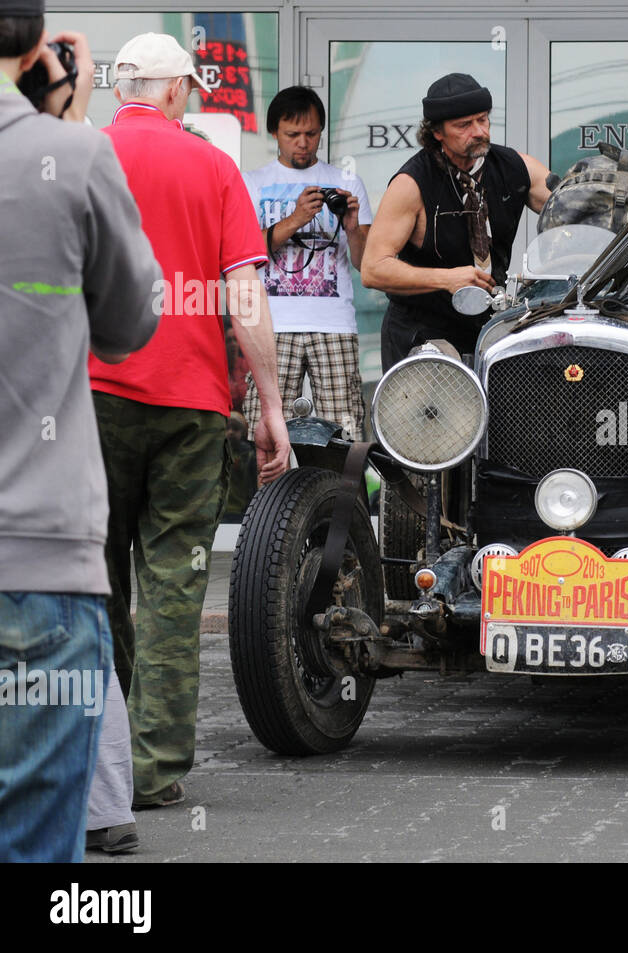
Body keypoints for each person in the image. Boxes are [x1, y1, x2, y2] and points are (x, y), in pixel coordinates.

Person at [91, 31, 291, 811]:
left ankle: (93, 759)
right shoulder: (214, 168)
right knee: (174, 579)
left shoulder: (81, 160)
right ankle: (154, 767)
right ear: (176, 92)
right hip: (191, 402)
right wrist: (269, 405)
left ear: (121, 90)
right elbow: (243, 297)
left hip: (92, 395)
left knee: (93, 577)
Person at [0, 6, 160, 861]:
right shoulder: (73, 157)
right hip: (36, 559)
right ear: (36, 52)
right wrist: (61, 122)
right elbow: (130, 322)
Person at [361, 72, 552, 368]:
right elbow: (373, 269)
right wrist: (446, 278)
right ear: (437, 132)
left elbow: (570, 207)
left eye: (483, 120)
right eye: (464, 125)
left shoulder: (516, 167)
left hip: (489, 332)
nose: (478, 131)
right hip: (423, 338)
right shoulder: (411, 183)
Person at [243, 85, 372, 440]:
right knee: (266, 432)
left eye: (311, 134)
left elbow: (365, 264)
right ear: (275, 134)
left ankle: (340, 498)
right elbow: (243, 254)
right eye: (293, 134)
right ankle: (269, 498)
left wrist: (351, 226)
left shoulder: (347, 182)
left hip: (334, 324)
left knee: (344, 434)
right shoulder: (251, 184)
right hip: (271, 326)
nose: (303, 142)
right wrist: (296, 218)